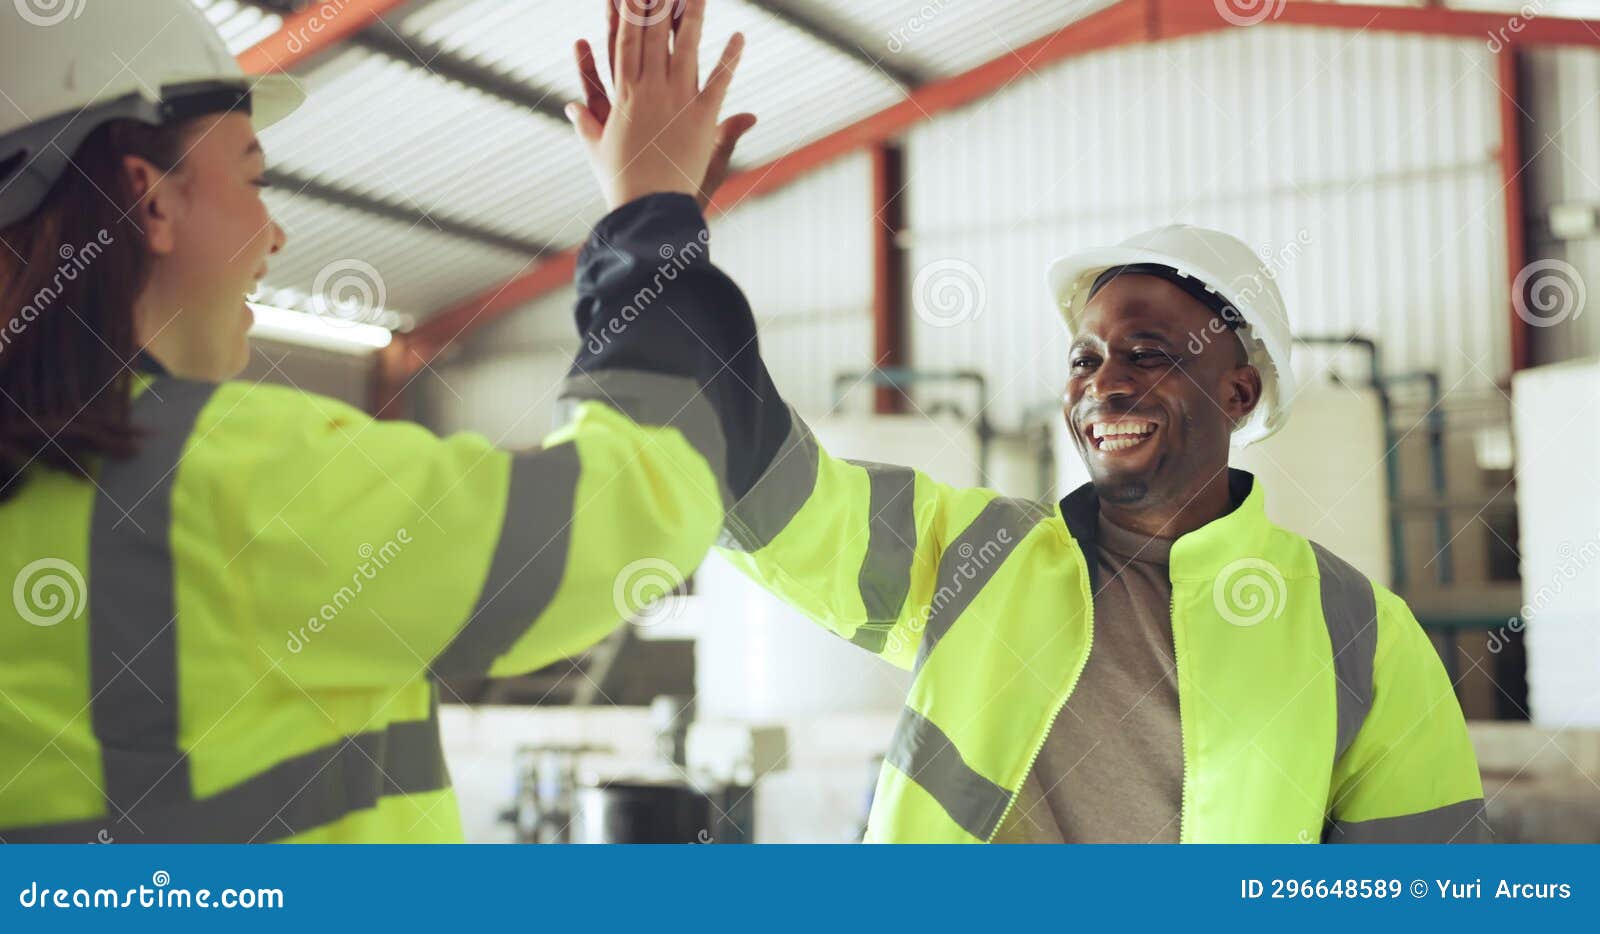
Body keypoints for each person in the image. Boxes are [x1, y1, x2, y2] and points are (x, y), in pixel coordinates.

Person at [562, 7, 1488, 843]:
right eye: (1085, 359)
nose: (1105, 386)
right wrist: (651, 224)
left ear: (1239, 394)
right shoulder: (976, 562)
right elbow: (752, 481)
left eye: (1151, 353)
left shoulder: (1358, 631)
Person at [0, 0, 750, 842]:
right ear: (150, 202)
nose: (273, 232)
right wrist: (650, 215)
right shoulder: (225, 476)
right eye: (253, 179)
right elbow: (636, 508)